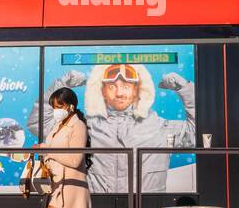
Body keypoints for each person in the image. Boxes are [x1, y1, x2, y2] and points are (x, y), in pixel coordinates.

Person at [30, 62, 195, 193]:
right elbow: (39, 125)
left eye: (126, 86)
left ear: (136, 91)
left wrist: (186, 89)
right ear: (102, 91)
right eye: (112, 87)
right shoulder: (84, 126)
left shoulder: (158, 127)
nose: (119, 93)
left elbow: (196, 134)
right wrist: (59, 86)